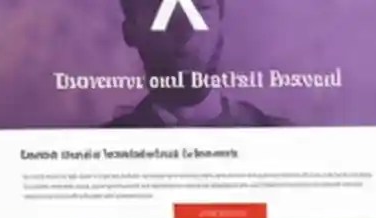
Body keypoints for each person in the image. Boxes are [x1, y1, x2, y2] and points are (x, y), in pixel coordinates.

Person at [107, 0, 289, 128]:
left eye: (200, 7)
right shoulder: (105, 147)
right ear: (130, 32)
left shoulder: (283, 143)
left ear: (220, 21)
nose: (185, 29)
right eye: (162, 9)